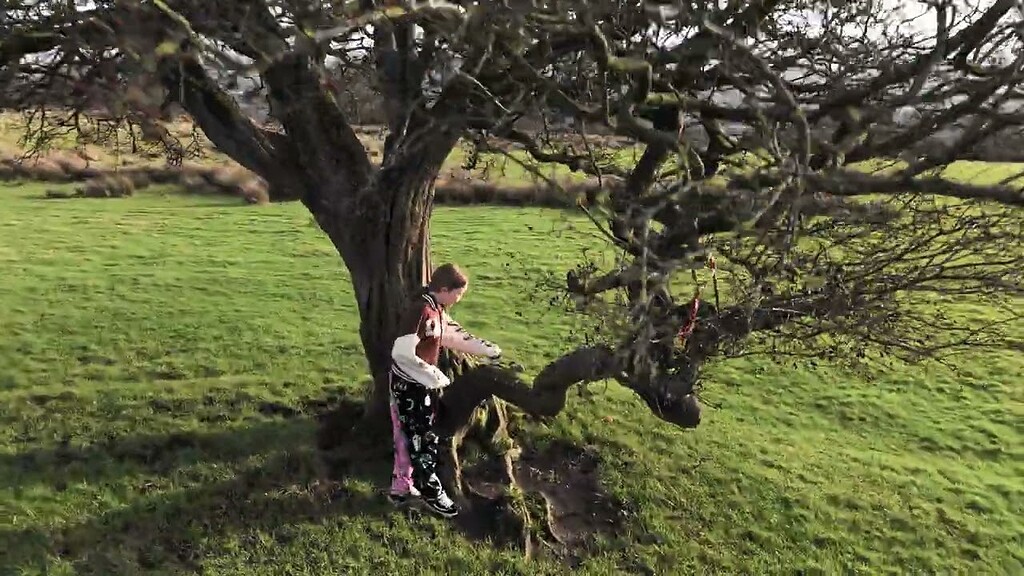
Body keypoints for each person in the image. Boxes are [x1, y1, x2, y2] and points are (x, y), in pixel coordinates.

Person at [387, 263, 502, 517]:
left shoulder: (435, 309)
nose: (460, 298)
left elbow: (451, 335)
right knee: (421, 438)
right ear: (444, 290)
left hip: (414, 384)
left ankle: (401, 487)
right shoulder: (422, 312)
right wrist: (432, 374)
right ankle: (431, 492)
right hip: (409, 386)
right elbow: (402, 353)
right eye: (458, 294)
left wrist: (486, 349)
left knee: (406, 436)